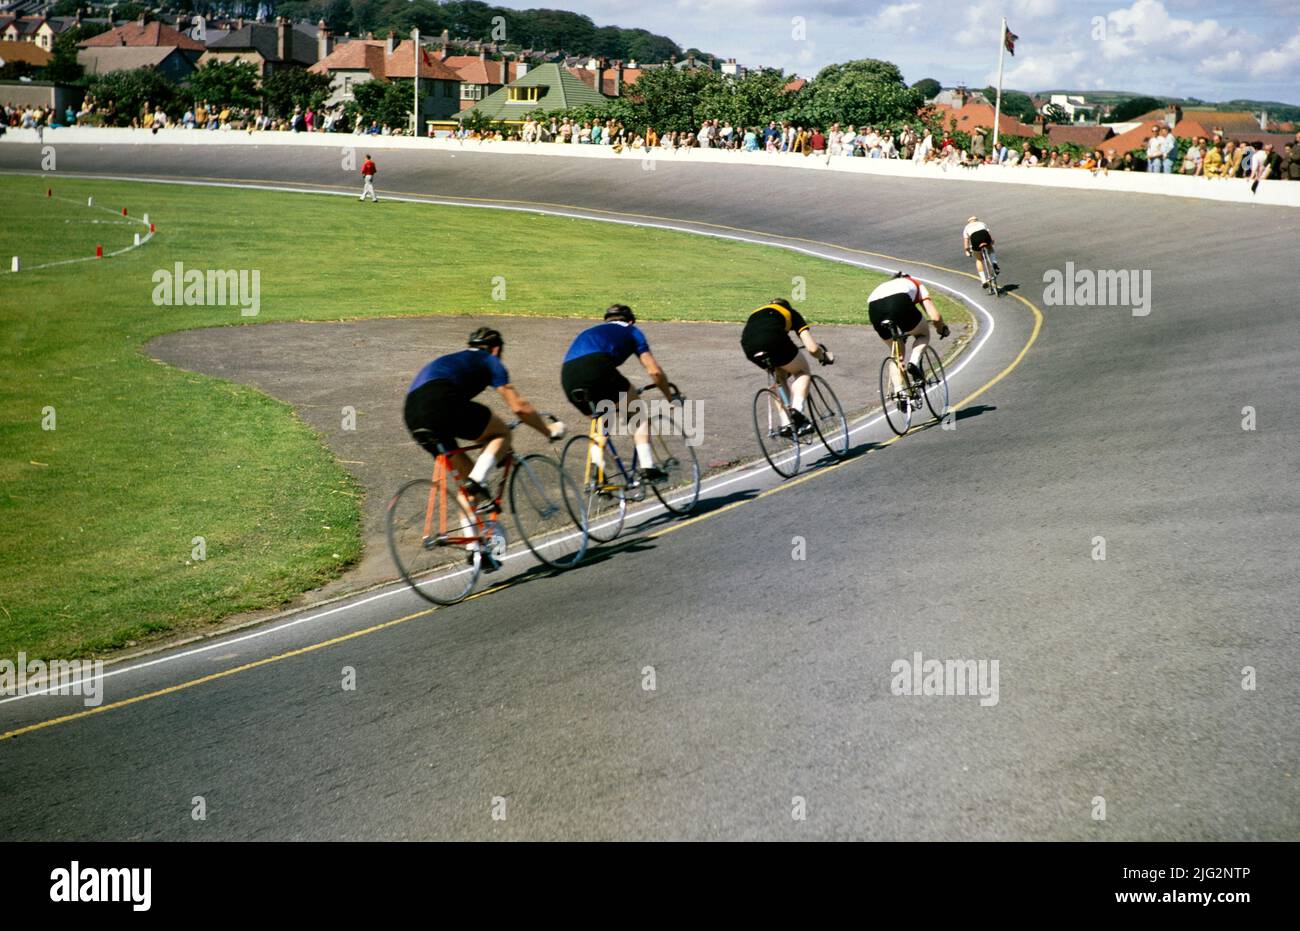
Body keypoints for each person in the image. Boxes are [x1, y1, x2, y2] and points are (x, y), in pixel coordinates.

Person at [403, 328, 565, 562]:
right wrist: (548, 429)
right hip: (440, 402)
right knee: (501, 433)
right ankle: (478, 482)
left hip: (413, 414)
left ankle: (477, 549)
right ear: (496, 349)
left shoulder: (454, 359)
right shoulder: (489, 360)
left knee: (468, 485)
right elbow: (518, 407)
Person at [560, 305, 676, 484]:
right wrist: (670, 397)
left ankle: (598, 473)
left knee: (602, 418)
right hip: (597, 367)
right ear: (630, 321)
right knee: (638, 413)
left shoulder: (592, 330)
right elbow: (655, 372)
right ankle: (648, 468)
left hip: (568, 376)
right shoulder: (632, 331)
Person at [740, 299, 833, 437]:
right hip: (773, 339)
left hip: (749, 346)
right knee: (801, 371)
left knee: (780, 376)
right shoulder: (790, 312)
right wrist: (824, 356)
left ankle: (786, 423)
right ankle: (797, 411)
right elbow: (812, 349)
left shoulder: (757, 313)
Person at [867, 272, 951, 408]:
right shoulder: (916, 283)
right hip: (898, 303)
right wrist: (942, 329)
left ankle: (899, 391)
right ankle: (914, 363)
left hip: (874, 308)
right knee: (923, 334)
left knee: (896, 354)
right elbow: (935, 317)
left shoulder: (884, 285)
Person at [962, 216, 1000, 291]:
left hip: (975, 239)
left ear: (969, 222)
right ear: (976, 220)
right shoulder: (982, 223)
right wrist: (991, 242)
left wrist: (967, 250)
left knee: (979, 259)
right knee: (990, 248)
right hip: (984, 235)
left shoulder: (966, 227)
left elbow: (966, 241)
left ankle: (983, 280)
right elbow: (988, 234)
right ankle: (994, 263)